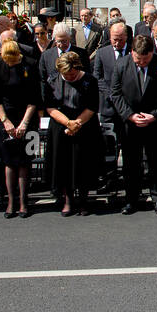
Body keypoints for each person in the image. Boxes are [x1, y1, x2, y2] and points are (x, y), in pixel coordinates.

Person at [111, 34, 157, 215]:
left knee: (156, 163)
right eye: (139, 59)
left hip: (155, 123)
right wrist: (129, 115)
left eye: (146, 59)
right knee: (131, 164)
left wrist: (154, 115)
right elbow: (115, 94)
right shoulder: (122, 65)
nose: (142, 63)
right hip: (131, 125)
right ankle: (131, 199)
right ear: (132, 53)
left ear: (152, 53)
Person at [45, 51, 102, 216]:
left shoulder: (89, 80)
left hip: (85, 125)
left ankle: (84, 200)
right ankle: (68, 200)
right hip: (61, 127)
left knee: (83, 163)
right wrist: (68, 123)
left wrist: (76, 123)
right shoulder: (52, 81)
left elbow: (92, 106)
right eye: (66, 75)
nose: (69, 77)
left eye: (72, 74)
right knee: (64, 163)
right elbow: (50, 107)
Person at [0, 40, 39, 218]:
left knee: (25, 160)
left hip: (28, 118)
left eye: (13, 60)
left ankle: (24, 202)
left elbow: (35, 97)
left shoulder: (31, 65)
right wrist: (6, 122)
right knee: (9, 162)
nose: (10, 63)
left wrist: (24, 123)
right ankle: (11, 201)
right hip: (6, 118)